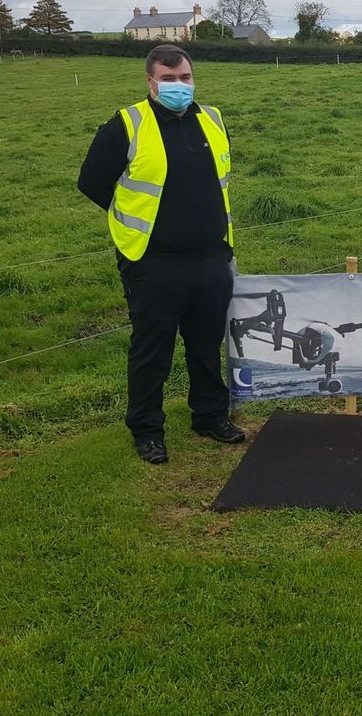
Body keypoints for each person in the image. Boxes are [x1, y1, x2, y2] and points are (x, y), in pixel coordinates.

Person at [78, 44, 245, 464]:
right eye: (168, 79)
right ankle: (147, 430)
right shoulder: (126, 124)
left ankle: (210, 415)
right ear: (150, 81)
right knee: (152, 351)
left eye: (185, 78)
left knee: (206, 344)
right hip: (153, 262)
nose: (178, 86)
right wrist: (134, 223)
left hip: (211, 256)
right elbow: (92, 182)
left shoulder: (212, 119)